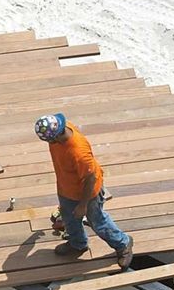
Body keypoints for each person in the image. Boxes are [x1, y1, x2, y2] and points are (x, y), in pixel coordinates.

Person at [34, 113, 133, 268]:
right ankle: (77, 244)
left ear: (56, 137)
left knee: (98, 222)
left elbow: (91, 178)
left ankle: (123, 244)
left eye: (49, 140)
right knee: (69, 219)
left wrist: (83, 205)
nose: (48, 143)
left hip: (88, 194)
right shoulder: (62, 130)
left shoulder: (78, 151)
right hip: (66, 187)